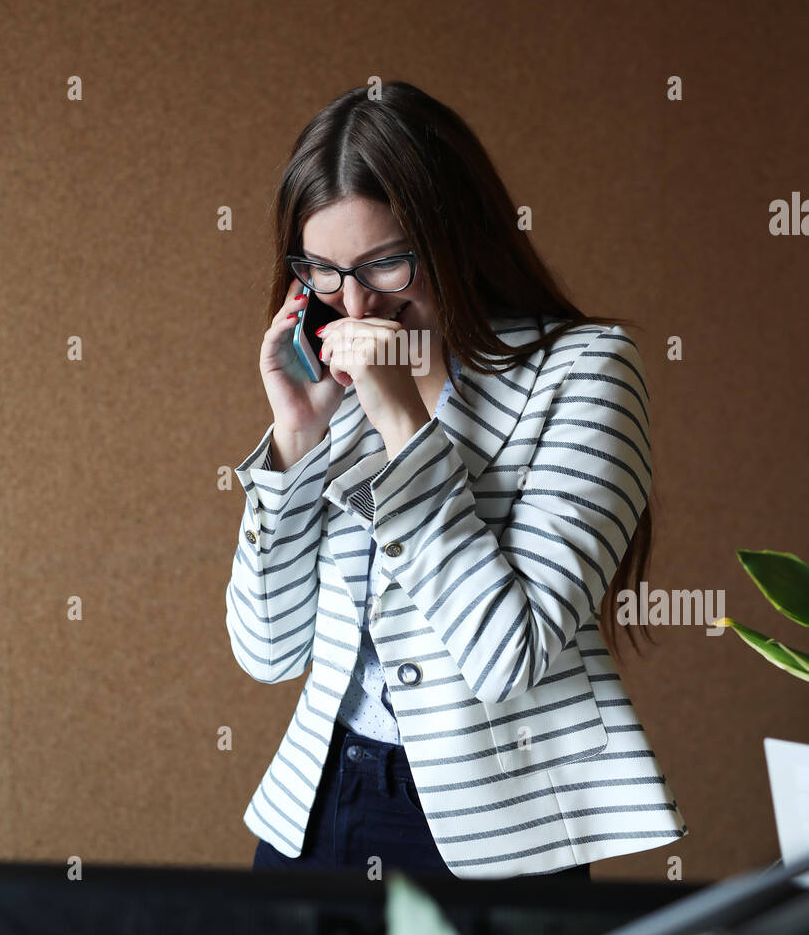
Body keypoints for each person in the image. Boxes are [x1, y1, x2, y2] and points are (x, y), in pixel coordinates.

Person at [225, 81, 688, 881]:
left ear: (456, 237)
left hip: (492, 834)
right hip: (316, 804)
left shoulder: (586, 372)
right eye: (326, 275)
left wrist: (407, 426)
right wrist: (297, 442)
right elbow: (267, 651)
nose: (357, 303)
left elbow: (509, 658)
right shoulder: (338, 389)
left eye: (386, 264)